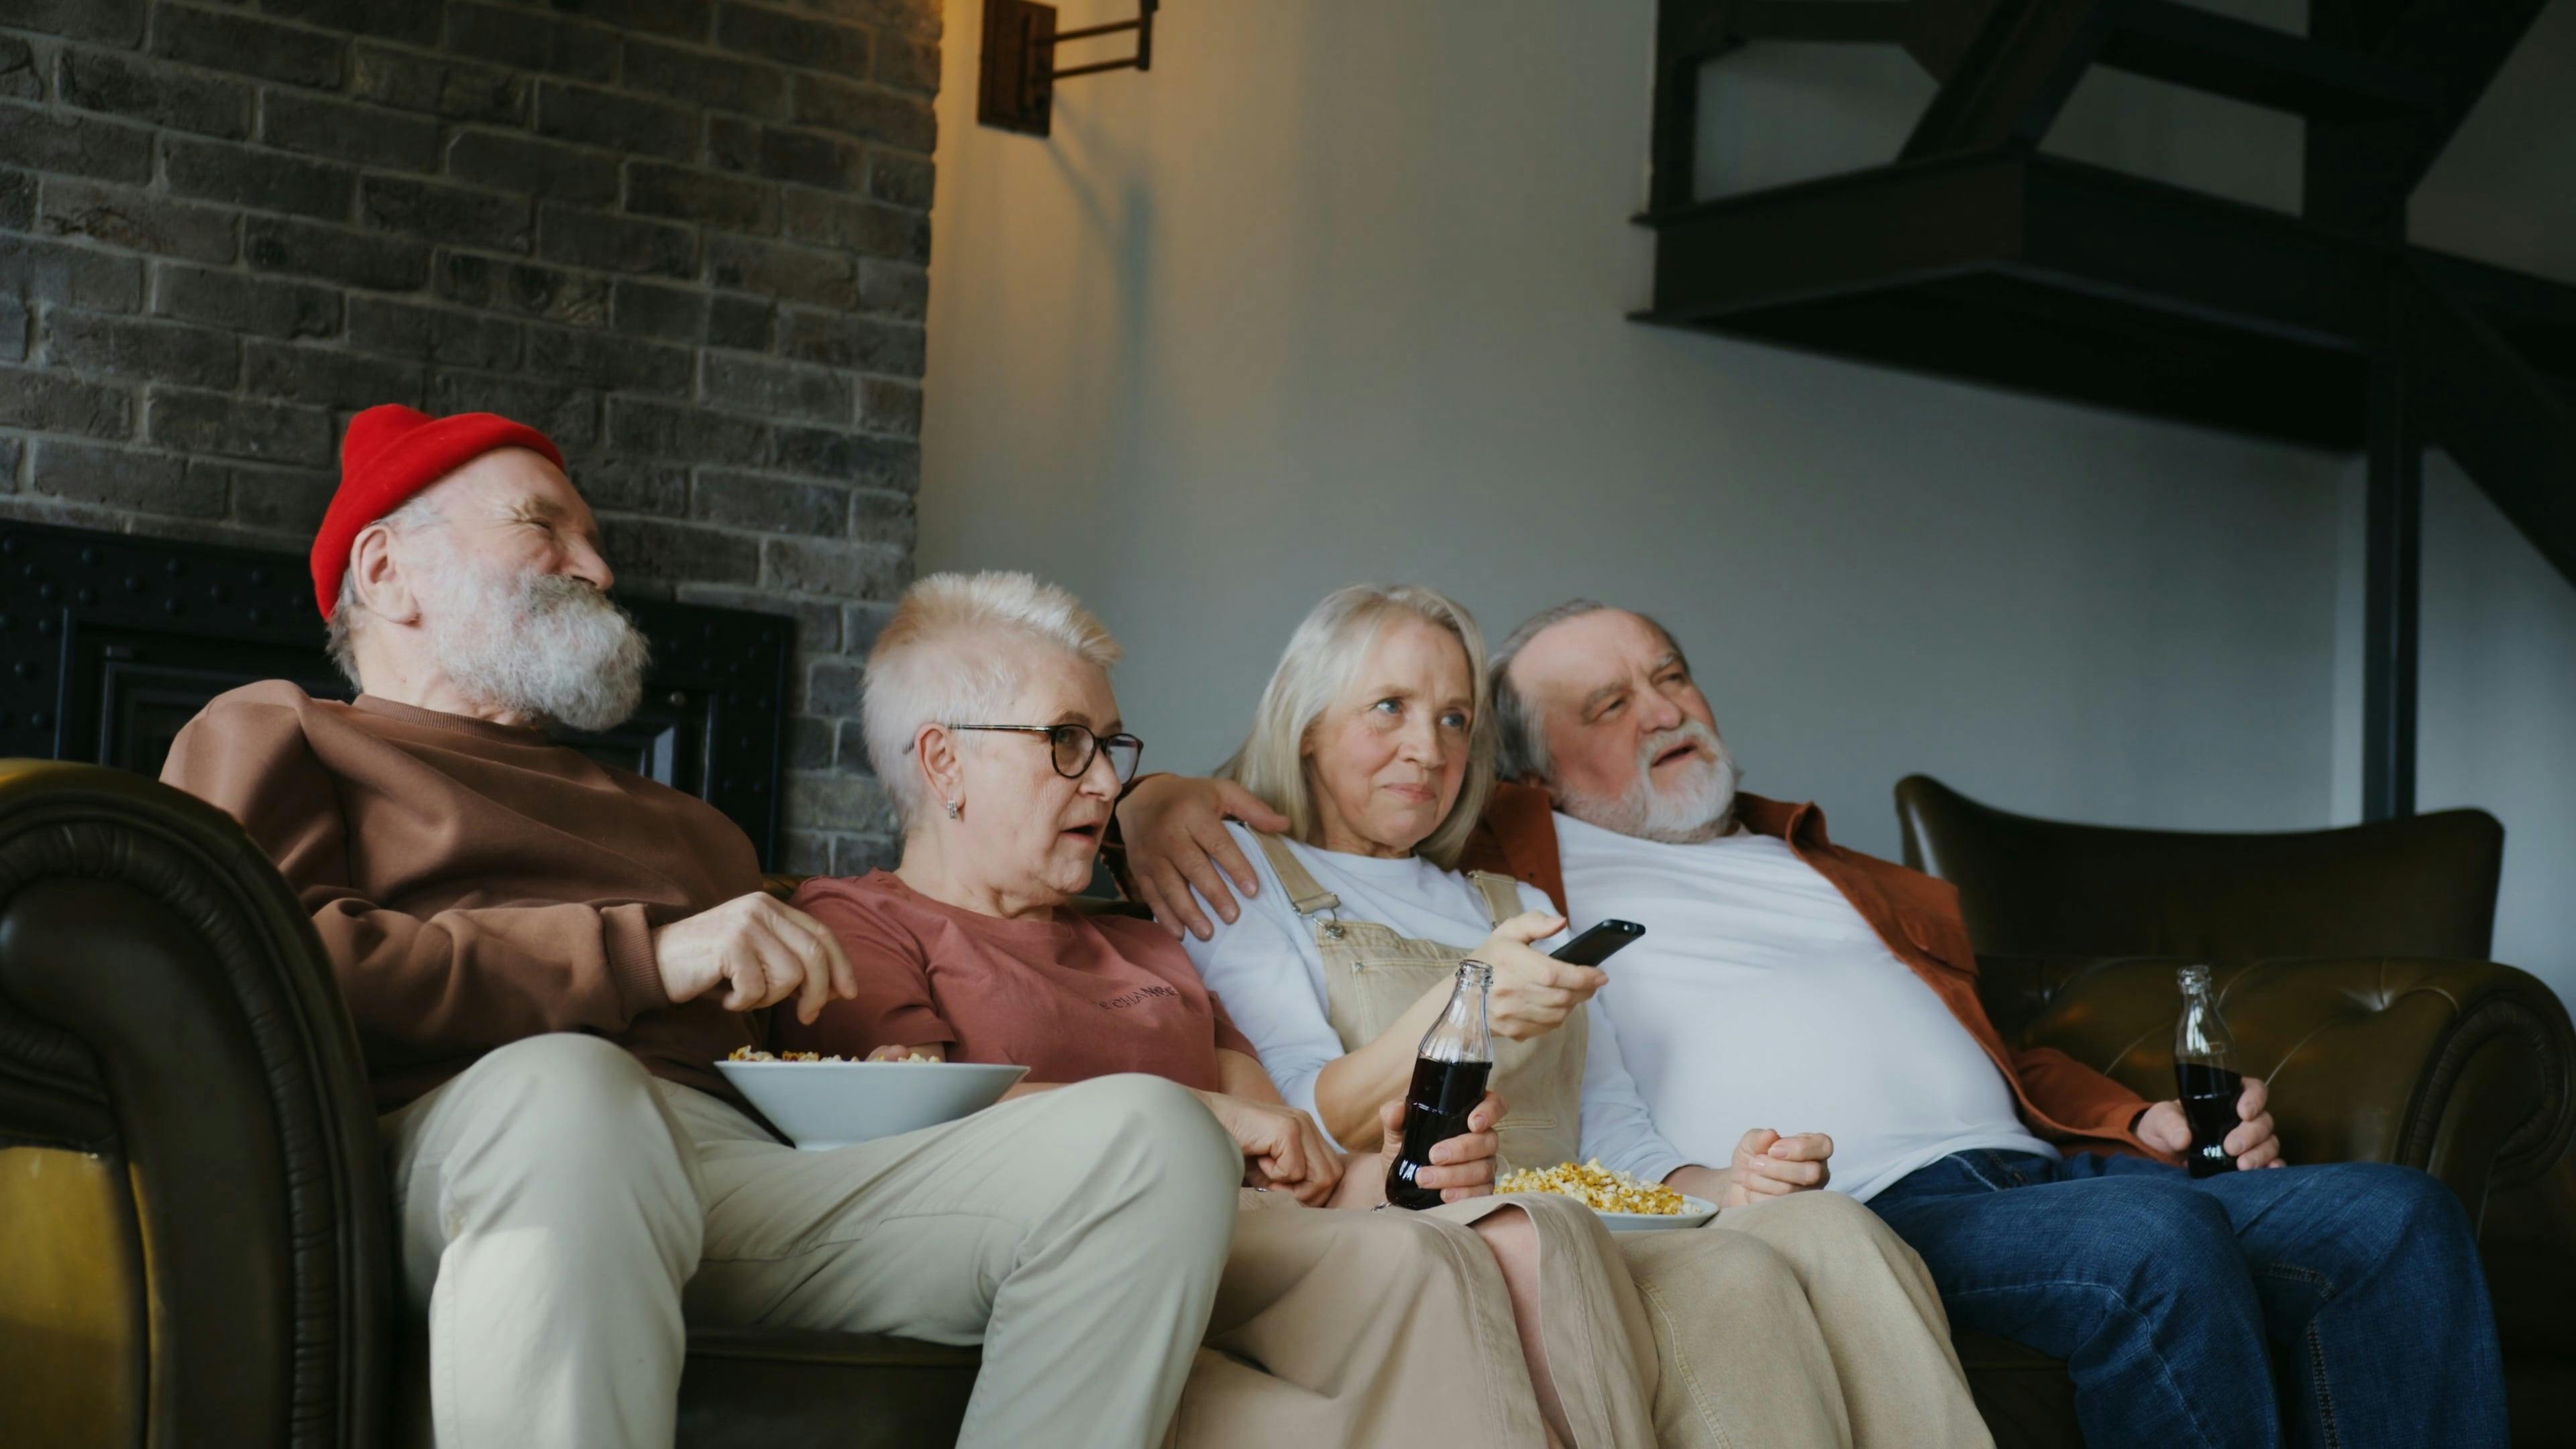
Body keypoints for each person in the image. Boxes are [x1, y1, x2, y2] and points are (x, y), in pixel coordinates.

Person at [1118, 598, 2510, 1449]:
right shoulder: (1517, 863)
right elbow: (1337, 810)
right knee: (2155, 1242)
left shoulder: (1826, 862)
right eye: (1609, 704)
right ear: (1526, 768)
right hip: (1886, 1193)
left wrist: (2131, 1115)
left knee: (2395, 1215)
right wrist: (1150, 795)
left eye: (1671, 675)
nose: (1664, 709)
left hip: (2051, 1173)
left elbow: (1993, 1042)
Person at [160, 405, 1244, 1449]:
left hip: (724, 1174)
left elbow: (784, 1061)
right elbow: (259, 974)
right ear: (386, 569)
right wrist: (642, 953)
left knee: (1152, 1142)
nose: (597, 569)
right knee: (573, 1094)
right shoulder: (283, 731)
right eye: (543, 525)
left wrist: (871, 1074)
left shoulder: (687, 827)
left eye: (595, 541)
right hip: (441, 1151)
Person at [782, 570, 1667, 1449]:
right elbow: (909, 1125)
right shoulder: (855, 926)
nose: (1107, 785)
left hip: (1262, 1256)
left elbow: (1297, 1160)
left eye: (1110, 746)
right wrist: (1213, 1117)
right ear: (944, 761)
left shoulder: (1146, 945)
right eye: (1067, 742)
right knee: (1437, 1266)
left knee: (1515, 1231)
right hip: (1102, 1263)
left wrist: (1407, 1169)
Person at [1174, 582, 1987, 1449]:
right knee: (1730, 1275)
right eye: (1389, 708)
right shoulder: (1241, 878)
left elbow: (1617, 1144)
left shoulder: (1516, 901)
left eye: (1454, 719)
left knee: (1835, 1227)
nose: (1428, 748)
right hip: (1443, 1232)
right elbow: (1300, 1127)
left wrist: (1731, 1185)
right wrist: (1470, 1003)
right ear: (1305, 725)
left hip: (1597, 1219)